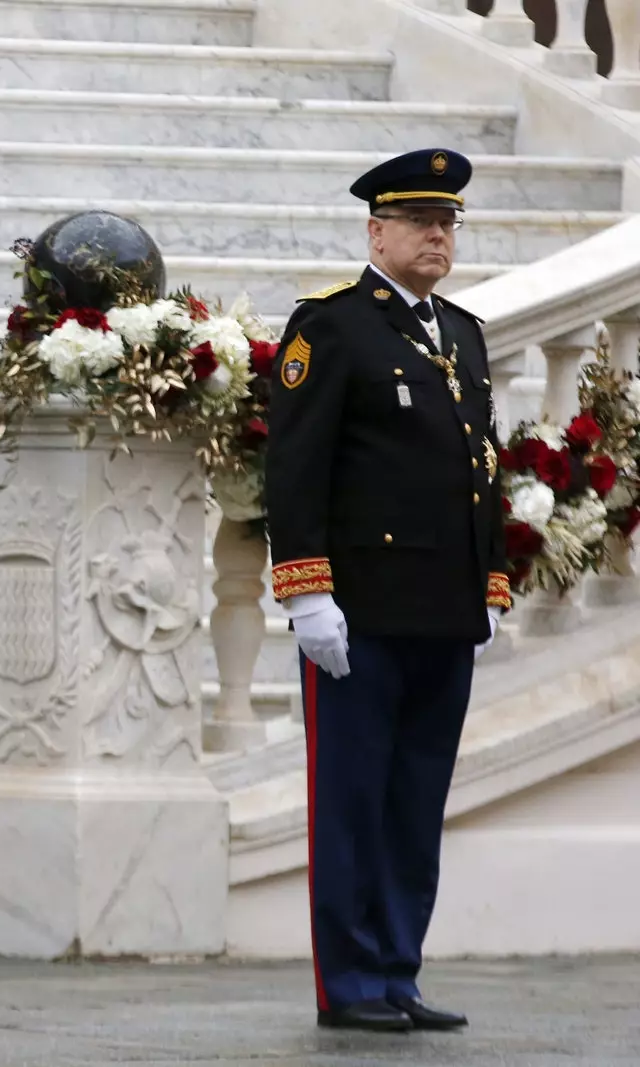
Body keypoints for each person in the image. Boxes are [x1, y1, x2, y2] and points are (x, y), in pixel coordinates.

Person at [265, 147, 509, 1033]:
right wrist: (305, 592)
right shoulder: (330, 326)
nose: (438, 236)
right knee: (354, 800)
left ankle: (398, 967)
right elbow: (295, 468)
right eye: (420, 222)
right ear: (377, 231)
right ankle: (351, 982)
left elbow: (482, 468)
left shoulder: (465, 332)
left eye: (447, 223)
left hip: (443, 611)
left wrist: (490, 581)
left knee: (415, 802)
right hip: (360, 612)